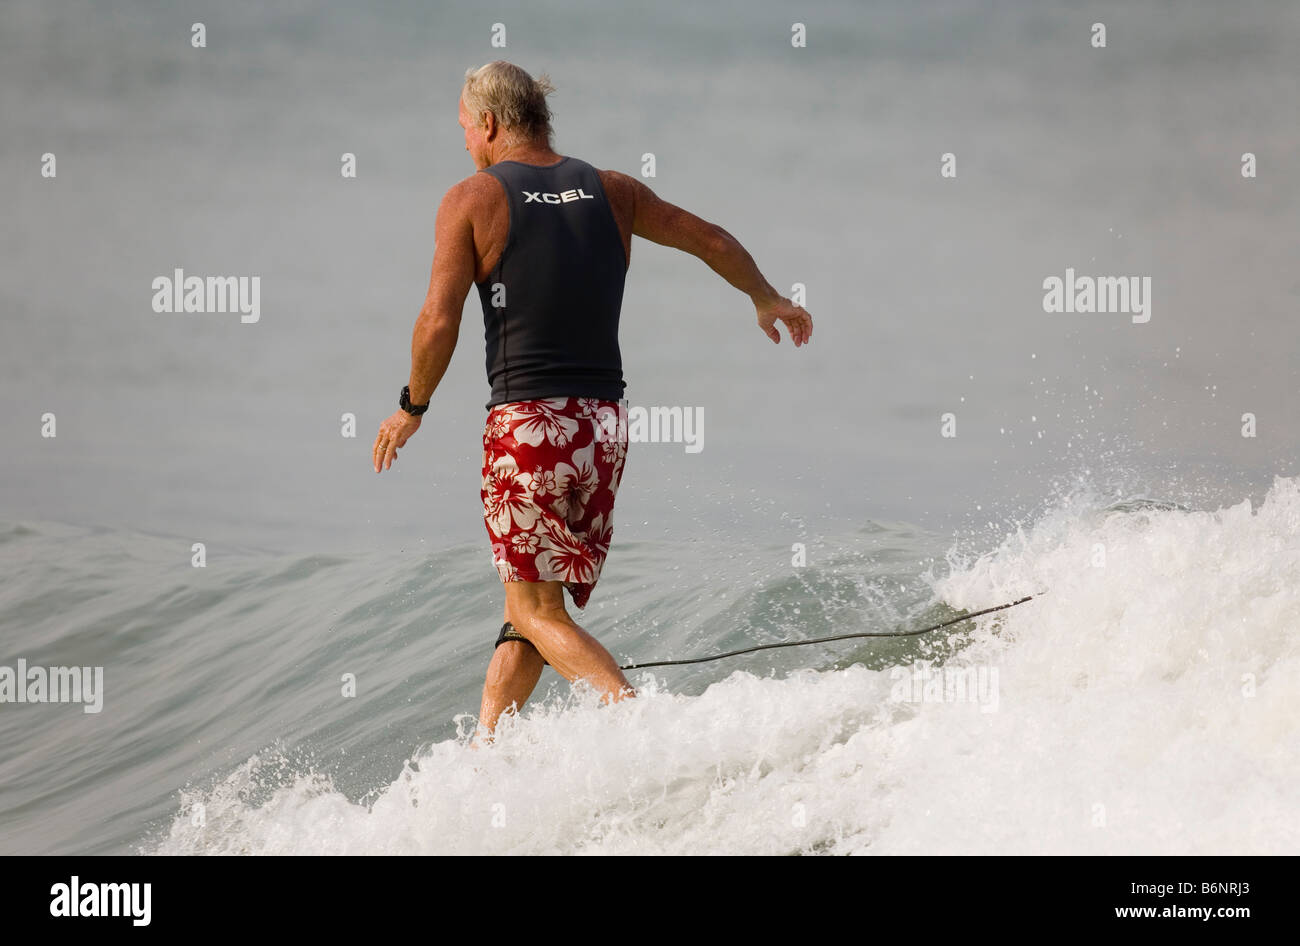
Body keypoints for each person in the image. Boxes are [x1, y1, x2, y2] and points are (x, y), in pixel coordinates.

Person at [372, 61, 812, 739]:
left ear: (489, 123)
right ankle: (485, 757)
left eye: (464, 128)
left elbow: (438, 319)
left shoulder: (472, 199)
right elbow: (711, 240)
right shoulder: (614, 191)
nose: (464, 141)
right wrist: (765, 296)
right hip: (601, 429)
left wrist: (412, 406)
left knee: (535, 611)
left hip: (529, 427)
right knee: (529, 612)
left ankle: (639, 729)